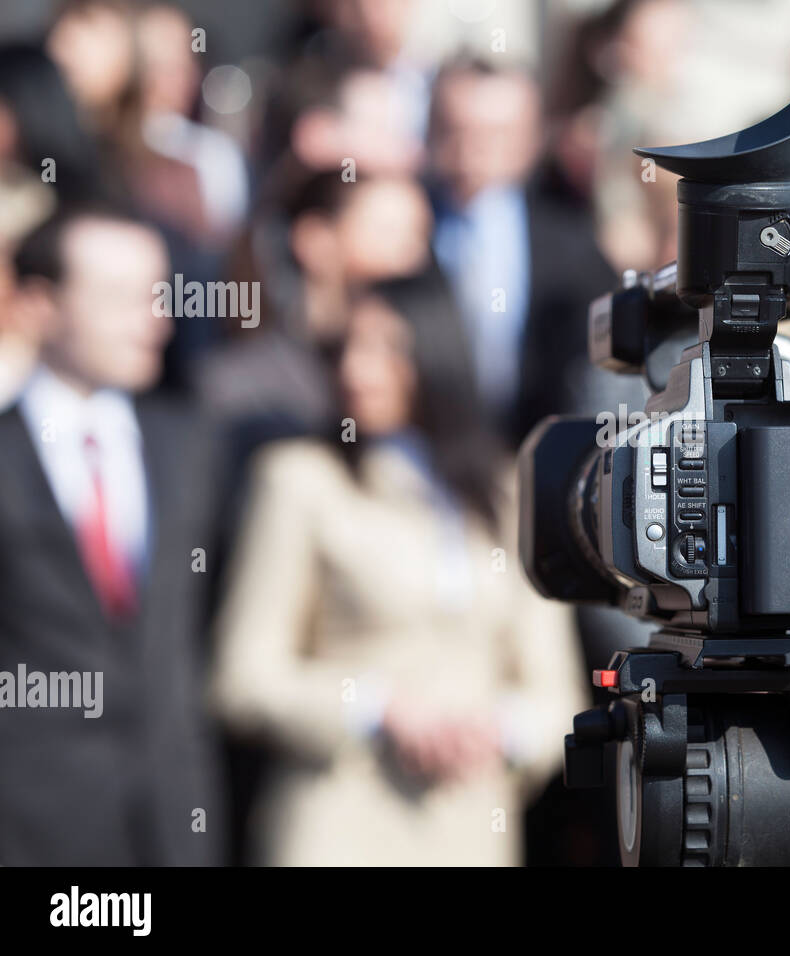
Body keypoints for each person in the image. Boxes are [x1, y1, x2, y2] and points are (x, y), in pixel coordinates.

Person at [210, 273, 586, 865]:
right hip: (335, 826)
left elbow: (557, 696)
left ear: (436, 354)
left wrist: (500, 729)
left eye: (386, 348)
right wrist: (374, 706)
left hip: (469, 829)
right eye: (348, 349)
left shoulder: (507, 492)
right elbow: (242, 677)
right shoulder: (298, 480)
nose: (357, 370)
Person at [0, 204, 224, 864]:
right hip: (30, 822)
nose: (153, 320)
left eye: (158, 296)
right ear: (41, 305)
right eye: (122, 299)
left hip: (174, 817)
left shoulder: (192, 446)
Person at [427, 55, 616, 447]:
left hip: (531, 452)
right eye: (454, 130)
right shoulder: (399, 223)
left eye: (492, 134)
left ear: (531, 139)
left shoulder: (571, 240)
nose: (469, 151)